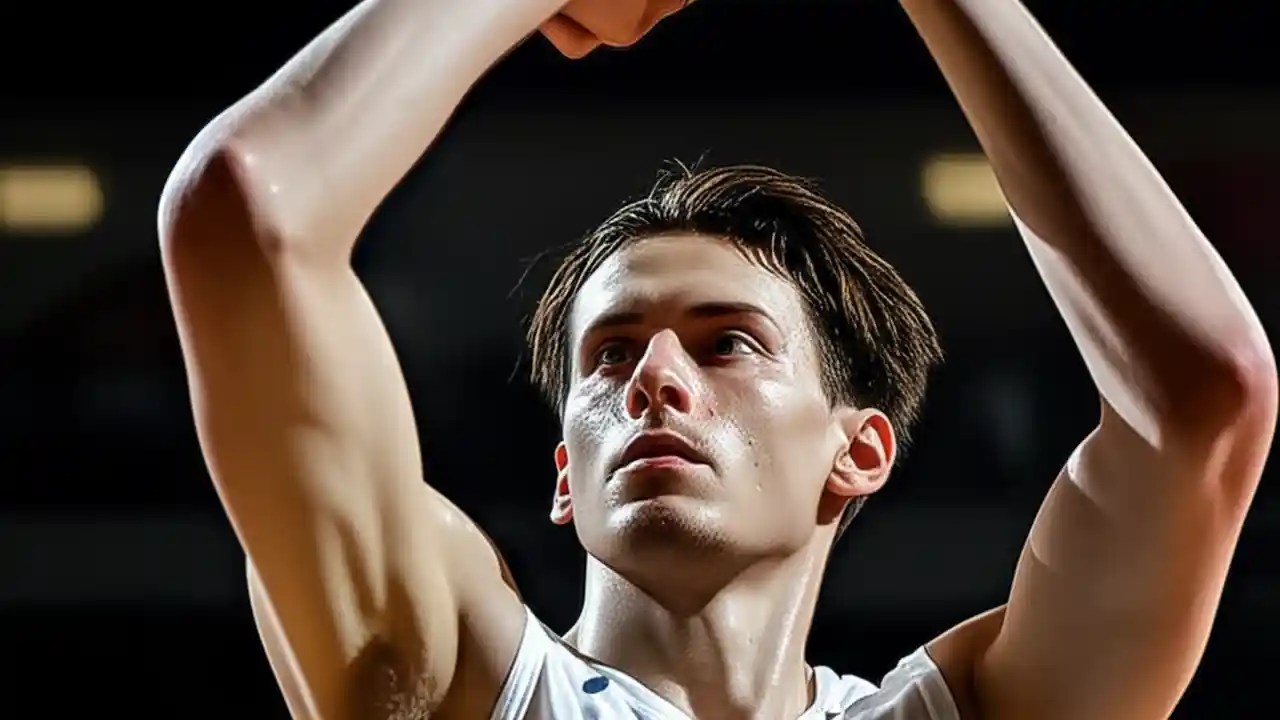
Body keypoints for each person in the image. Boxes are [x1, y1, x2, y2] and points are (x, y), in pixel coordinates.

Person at [156, 0, 1277, 718]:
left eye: (726, 341)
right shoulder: (456, 675)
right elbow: (247, 214)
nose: (649, 378)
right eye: (605, 358)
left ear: (859, 450)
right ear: (563, 474)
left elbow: (1203, 393)